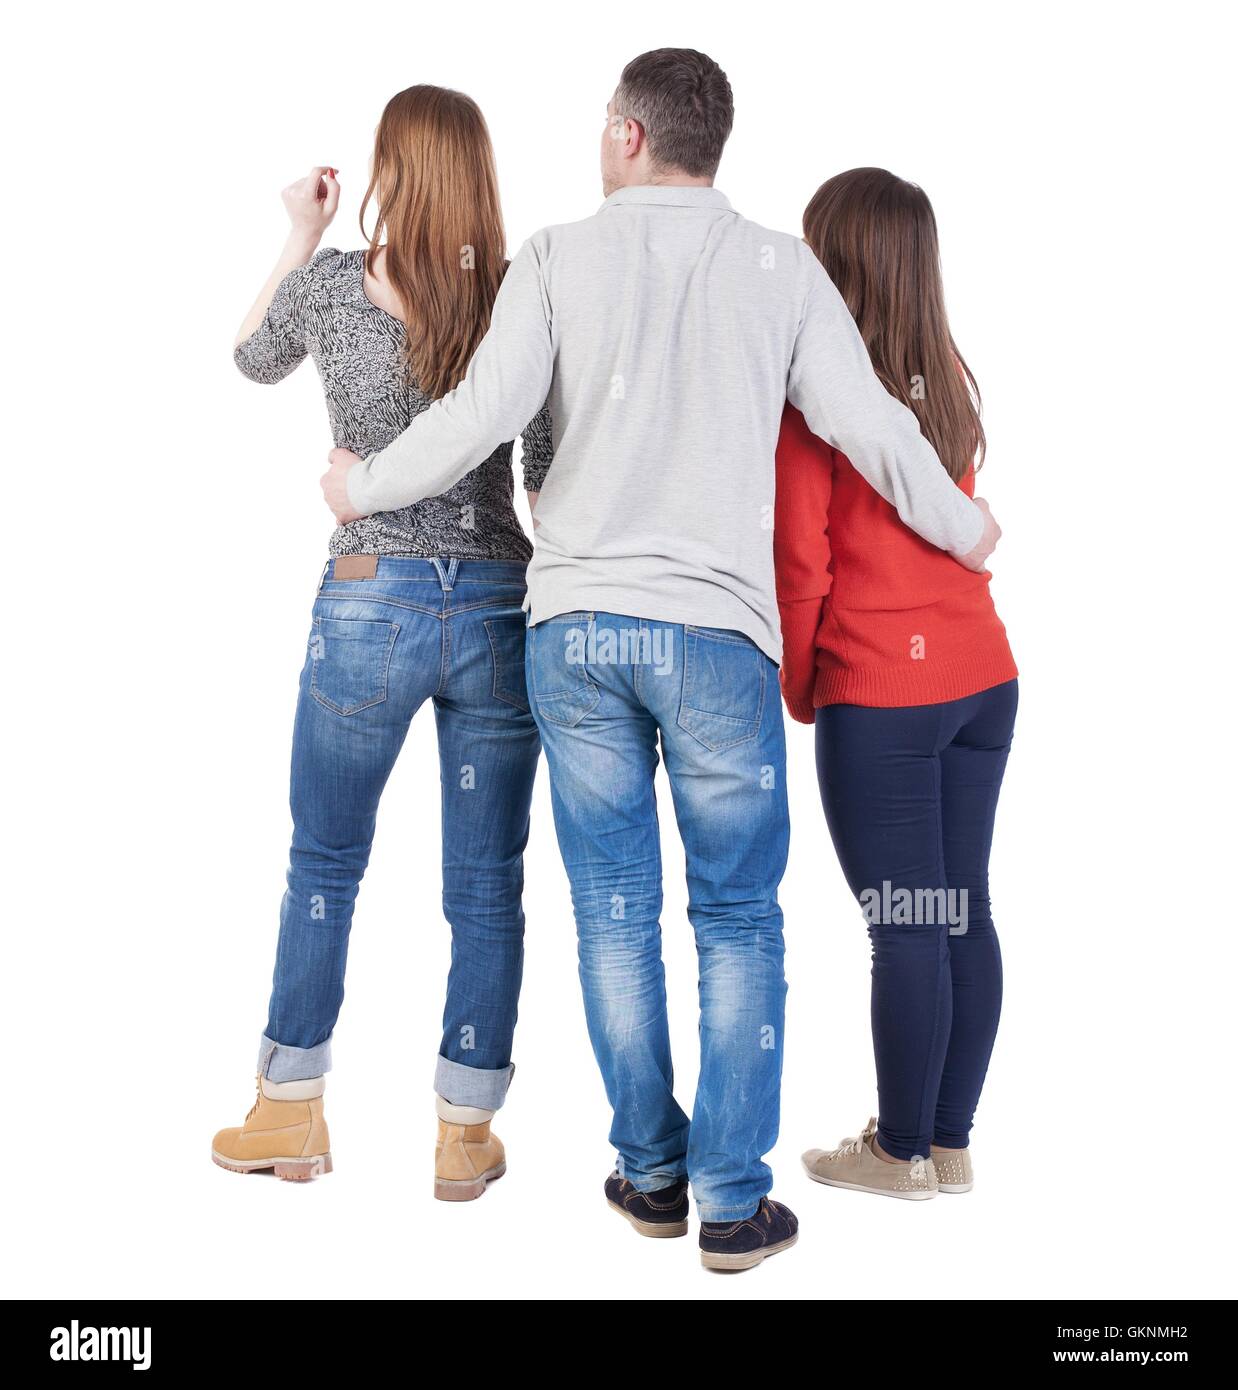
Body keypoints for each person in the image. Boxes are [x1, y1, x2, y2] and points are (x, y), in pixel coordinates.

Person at [319, 51, 1000, 1271]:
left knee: (613, 914)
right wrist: (964, 523)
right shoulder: (781, 272)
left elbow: (477, 418)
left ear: (627, 135)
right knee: (738, 917)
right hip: (717, 639)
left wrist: (359, 486)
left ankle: (649, 1173)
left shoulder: (552, 259)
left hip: (573, 632)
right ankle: (731, 1205)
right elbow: (870, 424)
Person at [211, 85, 553, 1200]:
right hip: (499, 601)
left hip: (369, 595)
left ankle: (288, 1110)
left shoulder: (331, 282)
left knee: (324, 861)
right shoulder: (515, 296)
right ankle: (464, 1131)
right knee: (486, 881)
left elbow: (251, 359)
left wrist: (303, 231)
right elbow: (543, 478)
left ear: (388, 169)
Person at [773, 168, 1018, 1200]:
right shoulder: (945, 375)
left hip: (883, 697)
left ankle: (896, 1152)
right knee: (960, 909)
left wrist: (800, 686)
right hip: (982, 679)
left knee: (907, 923)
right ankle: (946, 1142)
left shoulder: (814, 397)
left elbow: (800, 559)